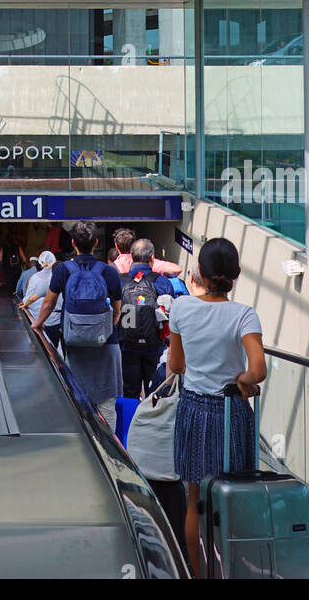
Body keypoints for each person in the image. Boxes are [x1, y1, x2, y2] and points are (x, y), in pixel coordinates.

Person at [166, 237, 266, 578]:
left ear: (199, 273)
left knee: (194, 498)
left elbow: (176, 365)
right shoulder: (243, 315)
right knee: (234, 496)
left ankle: (196, 573)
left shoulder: (180, 308)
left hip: (194, 409)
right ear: (236, 274)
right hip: (230, 412)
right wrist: (242, 379)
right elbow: (258, 370)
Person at [32, 220, 122, 431]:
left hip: (74, 342)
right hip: (105, 344)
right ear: (96, 242)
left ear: (73, 243)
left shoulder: (63, 269)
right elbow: (117, 310)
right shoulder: (108, 272)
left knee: (76, 396)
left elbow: (48, 303)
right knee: (107, 403)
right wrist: (107, 325)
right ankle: (110, 450)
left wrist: (37, 324)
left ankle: (83, 438)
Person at [118, 239, 175, 400]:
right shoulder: (162, 282)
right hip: (154, 346)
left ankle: (130, 423)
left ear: (131, 257)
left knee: (130, 393)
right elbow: (169, 314)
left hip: (127, 346)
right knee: (154, 393)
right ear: (152, 258)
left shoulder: (120, 281)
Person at [20, 250, 63, 349]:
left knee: (50, 347)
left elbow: (31, 299)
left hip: (48, 319)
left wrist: (25, 305)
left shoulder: (38, 279)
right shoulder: (66, 280)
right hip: (63, 320)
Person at [113, 226, 182, 278]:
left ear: (116, 246)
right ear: (134, 245)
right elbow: (176, 269)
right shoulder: (146, 261)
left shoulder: (111, 268)